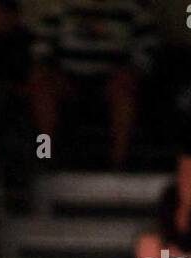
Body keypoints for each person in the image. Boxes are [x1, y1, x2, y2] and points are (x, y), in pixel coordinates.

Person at [29, 0, 156, 168]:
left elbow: (148, 48)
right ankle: (45, 155)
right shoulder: (60, 9)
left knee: (124, 90)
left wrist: (132, 70)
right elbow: (41, 50)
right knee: (42, 88)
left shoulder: (132, 10)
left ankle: (119, 161)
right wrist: (47, 71)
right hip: (69, 80)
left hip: (112, 81)